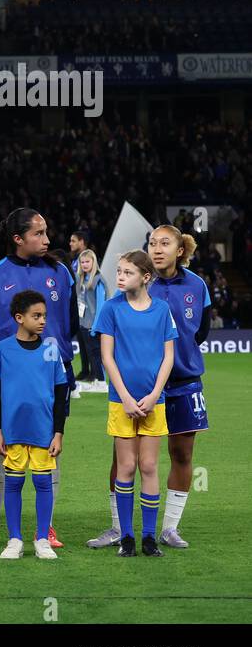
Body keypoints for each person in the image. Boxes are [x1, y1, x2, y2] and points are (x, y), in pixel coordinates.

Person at [0, 208, 76, 550]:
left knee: (51, 449)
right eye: (39, 234)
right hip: (13, 379)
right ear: (19, 239)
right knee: (4, 451)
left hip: (52, 374)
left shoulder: (61, 273)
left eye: (47, 233)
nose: (47, 240)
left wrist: (48, 360)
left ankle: (46, 528)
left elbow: (70, 324)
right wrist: (10, 361)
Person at [92, 250, 177, 558]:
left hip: (155, 400)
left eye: (127, 272)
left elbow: (169, 356)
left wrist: (155, 394)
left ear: (146, 277)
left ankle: (149, 537)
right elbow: (106, 358)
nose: (120, 277)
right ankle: (127, 536)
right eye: (118, 272)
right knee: (126, 466)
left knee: (150, 465)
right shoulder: (111, 309)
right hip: (121, 401)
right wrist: (125, 397)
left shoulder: (162, 310)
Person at [0, 291, 68, 561]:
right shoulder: (2, 350)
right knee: (13, 485)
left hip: (43, 432)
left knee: (43, 483)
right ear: (19, 318)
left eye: (44, 315)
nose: (42, 320)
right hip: (13, 431)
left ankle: (42, 538)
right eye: (36, 316)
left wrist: (58, 432)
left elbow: (60, 394)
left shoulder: (52, 348)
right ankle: (14, 539)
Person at [149, 226, 211, 548]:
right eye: (152, 243)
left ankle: (170, 528)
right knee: (129, 459)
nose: (157, 249)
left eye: (165, 243)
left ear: (179, 250)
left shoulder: (197, 285)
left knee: (182, 453)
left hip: (185, 383)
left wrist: (180, 357)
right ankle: (121, 528)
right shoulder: (141, 282)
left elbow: (201, 331)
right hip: (145, 386)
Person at [74, 249, 108, 391]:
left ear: (94, 262)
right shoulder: (82, 278)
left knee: (96, 353)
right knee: (90, 352)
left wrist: (95, 325)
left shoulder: (98, 279)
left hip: (93, 323)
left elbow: (101, 304)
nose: (85, 264)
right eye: (82, 262)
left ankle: (101, 382)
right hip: (84, 322)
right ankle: (97, 380)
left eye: (88, 261)